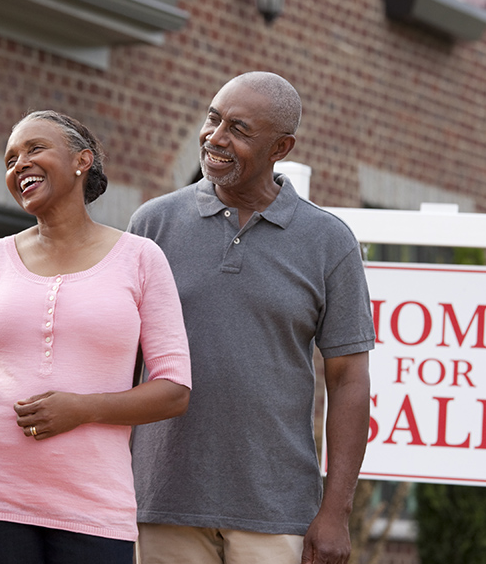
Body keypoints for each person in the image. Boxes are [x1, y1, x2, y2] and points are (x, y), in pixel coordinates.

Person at [129, 72, 376, 564]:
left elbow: (349, 380)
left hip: (277, 509)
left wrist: (336, 512)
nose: (215, 138)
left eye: (238, 129)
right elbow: (118, 360)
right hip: (161, 499)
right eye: (212, 118)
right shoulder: (151, 225)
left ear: (280, 147)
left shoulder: (329, 242)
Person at [0, 110, 192, 564]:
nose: (19, 165)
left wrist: (84, 408)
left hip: (93, 503)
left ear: (83, 160)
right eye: (10, 159)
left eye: (34, 149)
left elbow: (174, 392)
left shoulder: (140, 258)